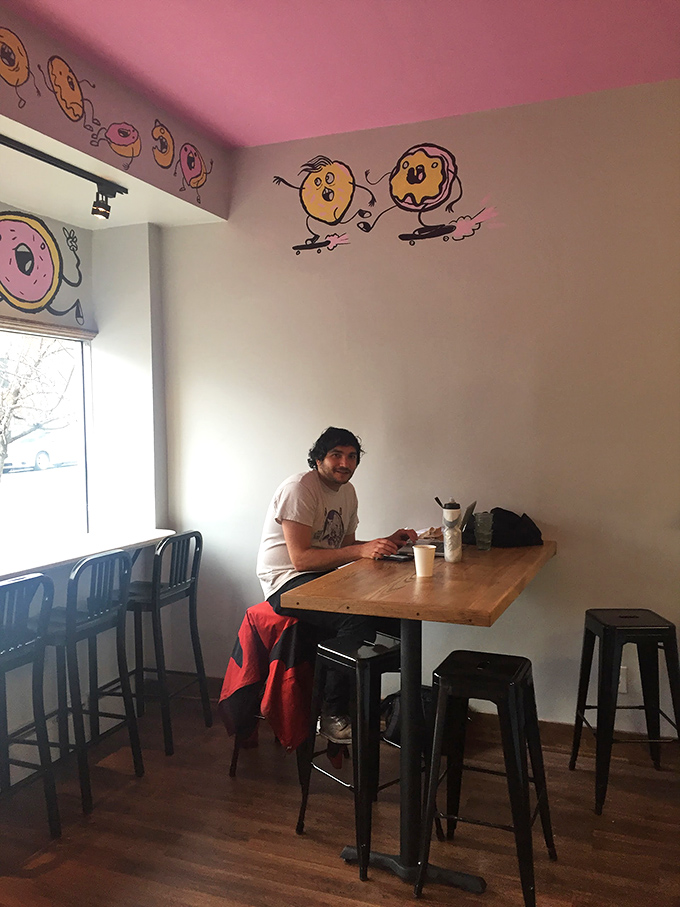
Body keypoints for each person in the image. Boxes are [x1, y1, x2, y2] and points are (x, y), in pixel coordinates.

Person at [256, 426, 416, 743]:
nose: (345, 463)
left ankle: (379, 706)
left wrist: (385, 543)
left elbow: (342, 548)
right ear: (318, 458)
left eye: (352, 456)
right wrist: (360, 550)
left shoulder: (348, 492)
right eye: (336, 455)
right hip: (285, 582)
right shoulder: (300, 488)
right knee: (355, 617)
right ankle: (331, 714)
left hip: (321, 577)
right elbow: (300, 559)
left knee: (397, 619)